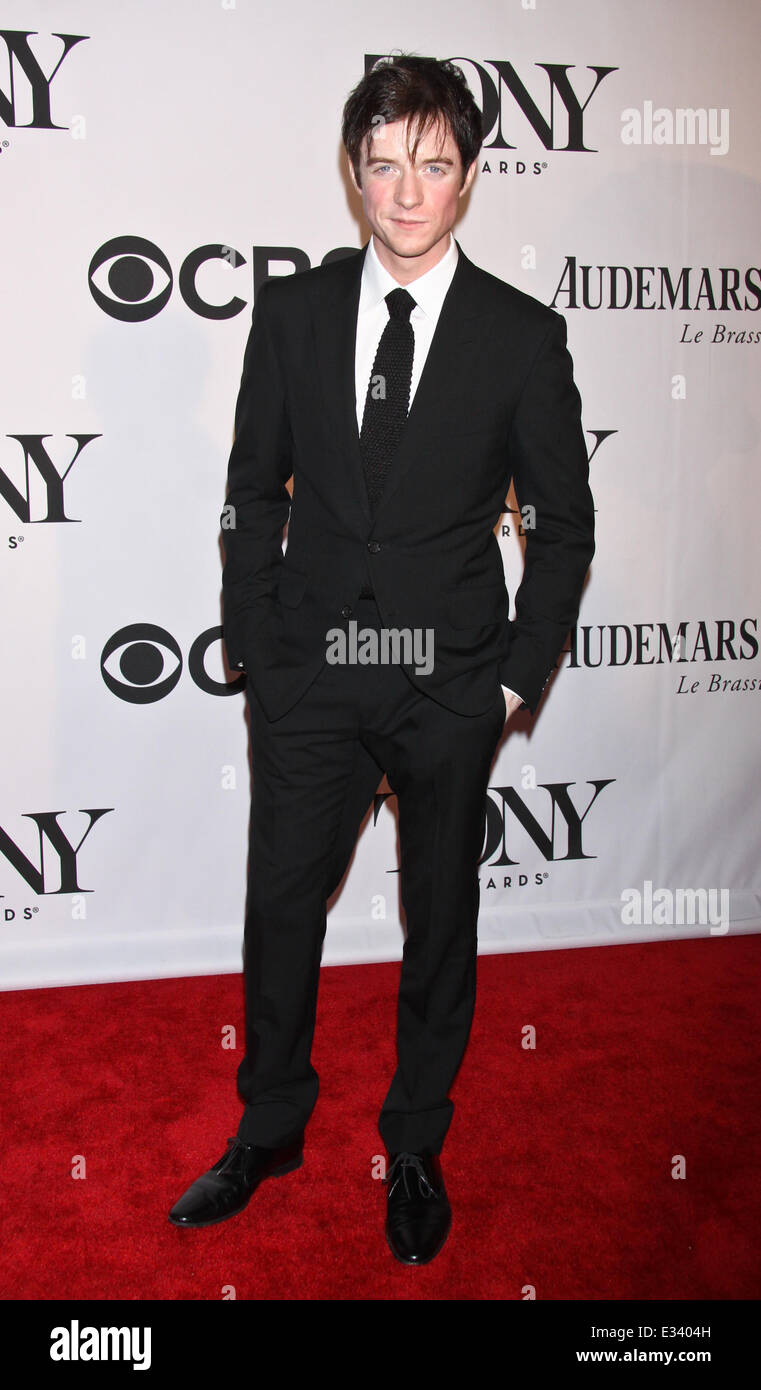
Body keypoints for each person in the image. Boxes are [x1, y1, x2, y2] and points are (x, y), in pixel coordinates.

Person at [169, 54, 595, 1265]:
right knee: (279, 909)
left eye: (433, 164)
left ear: (467, 178)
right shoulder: (295, 311)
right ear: (353, 171)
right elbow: (253, 490)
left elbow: (562, 524)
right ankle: (269, 1128)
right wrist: (253, 639)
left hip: (448, 678)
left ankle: (412, 1140)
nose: (406, 191)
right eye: (384, 162)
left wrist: (514, 678)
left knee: (439, 916)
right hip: (308, 671)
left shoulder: (520, 336)